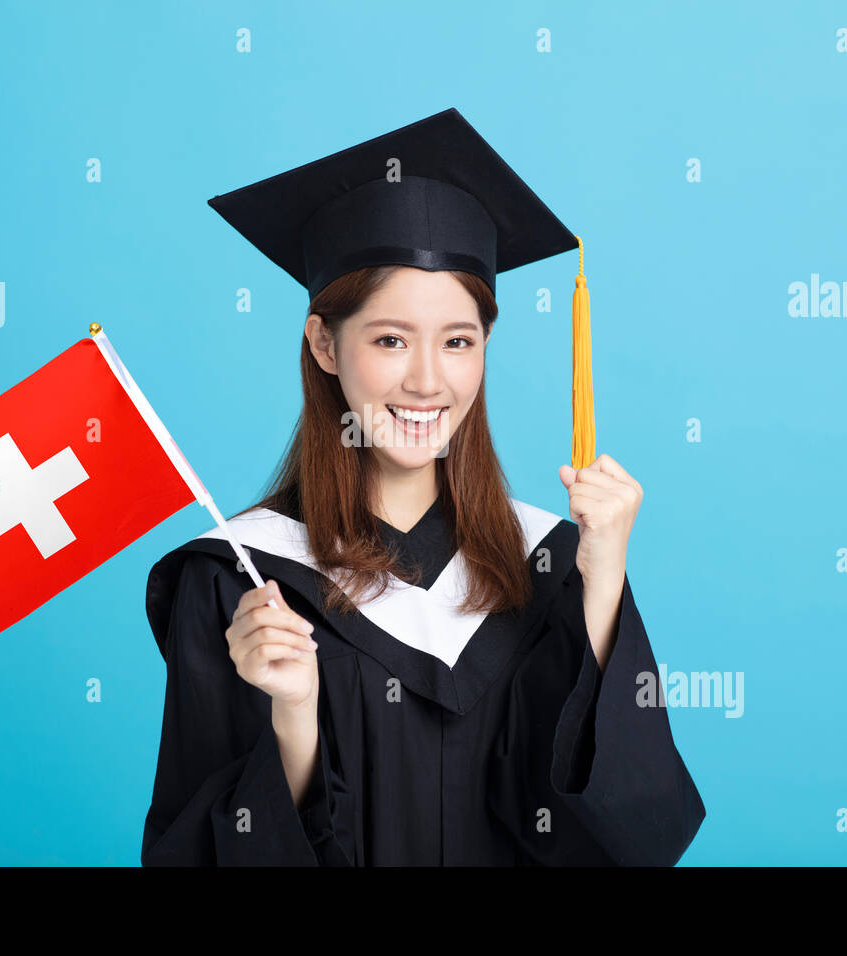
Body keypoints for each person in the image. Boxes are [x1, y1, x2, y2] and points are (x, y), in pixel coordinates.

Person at [141, 108, 706, 865]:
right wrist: (296, 723)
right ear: (323, 343)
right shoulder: (238, 579)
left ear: (486, 346)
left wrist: (601, 593)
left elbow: (622, 843)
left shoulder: (552, 564)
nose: (428, 382)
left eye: (458, 342)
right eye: (389, 340)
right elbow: (196, 852)